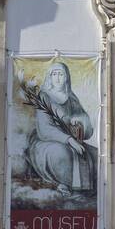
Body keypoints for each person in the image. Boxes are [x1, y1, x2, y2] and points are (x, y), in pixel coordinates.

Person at [25, 62, 97, 194]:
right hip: (46, 141)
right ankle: (63, 185)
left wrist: (80, 121)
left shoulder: (71, 97)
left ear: (66, 78)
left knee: (95, 154)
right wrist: (69, 140)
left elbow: (86, 124)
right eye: (54, 74)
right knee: (62, 154)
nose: (57, 78)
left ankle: (87, 190)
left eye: (61, 74)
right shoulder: (44, 96)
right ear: (50, 78)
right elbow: (45, 129)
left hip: (72, 140)